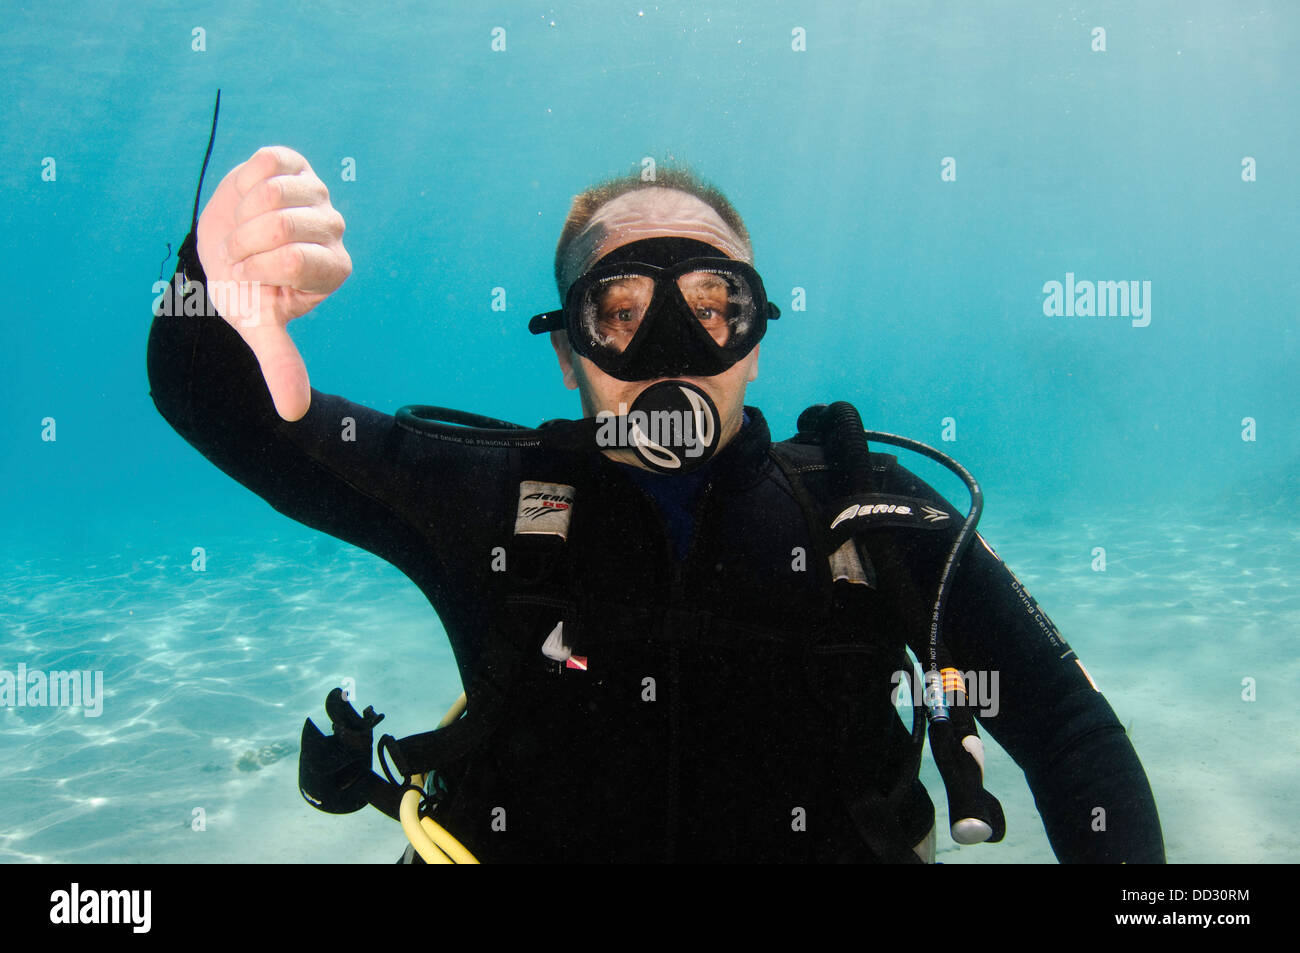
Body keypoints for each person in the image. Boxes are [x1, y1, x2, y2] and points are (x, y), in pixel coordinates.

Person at [148, 142, 1165, 864]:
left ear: (755, 338)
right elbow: (223, 404)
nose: (673, 351)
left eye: (714, 307)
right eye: (620, 313)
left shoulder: (867, 517)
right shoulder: (489, 500)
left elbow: (1065, 728)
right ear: (567, 352)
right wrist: (206, 286)